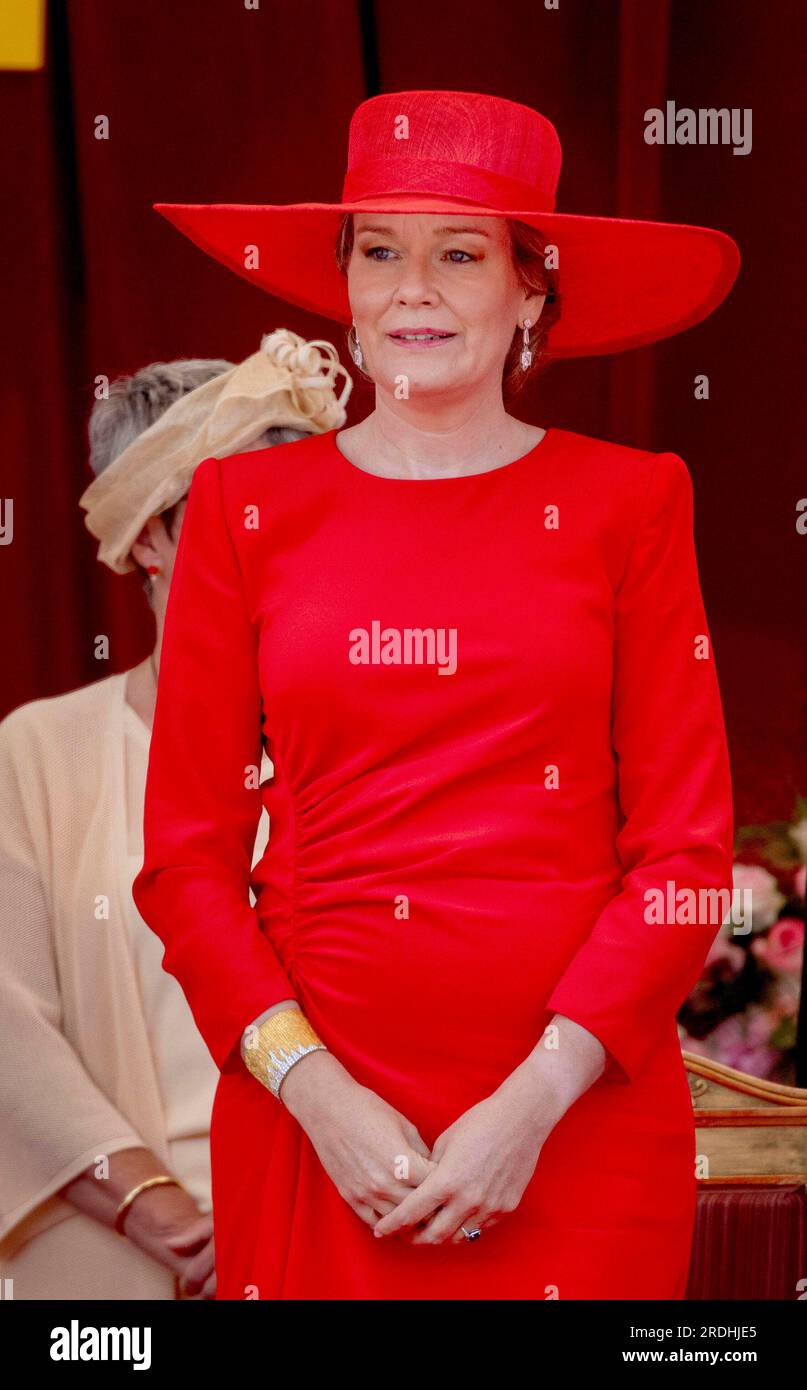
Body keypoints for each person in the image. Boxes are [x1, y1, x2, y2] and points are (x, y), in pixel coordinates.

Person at [133, 90, 739, 1300]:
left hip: (576, 1128)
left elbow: (684, 857)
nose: (414, 288)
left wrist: (530, 1107)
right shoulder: (242, 514)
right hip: (317, 1124)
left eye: (460, 253)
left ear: (529, 292)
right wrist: (319, 1095)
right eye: (380, 250)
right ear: (345, 285)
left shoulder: (633, 503)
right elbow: (184, 867)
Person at [0, 330, 351, 1299]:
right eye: (245, 509)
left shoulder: (393, 741)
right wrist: (172, 1221)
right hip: (140, 1246)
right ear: (149, 535)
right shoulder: (39, 752)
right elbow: (6, 1028)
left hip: (366, 1217)